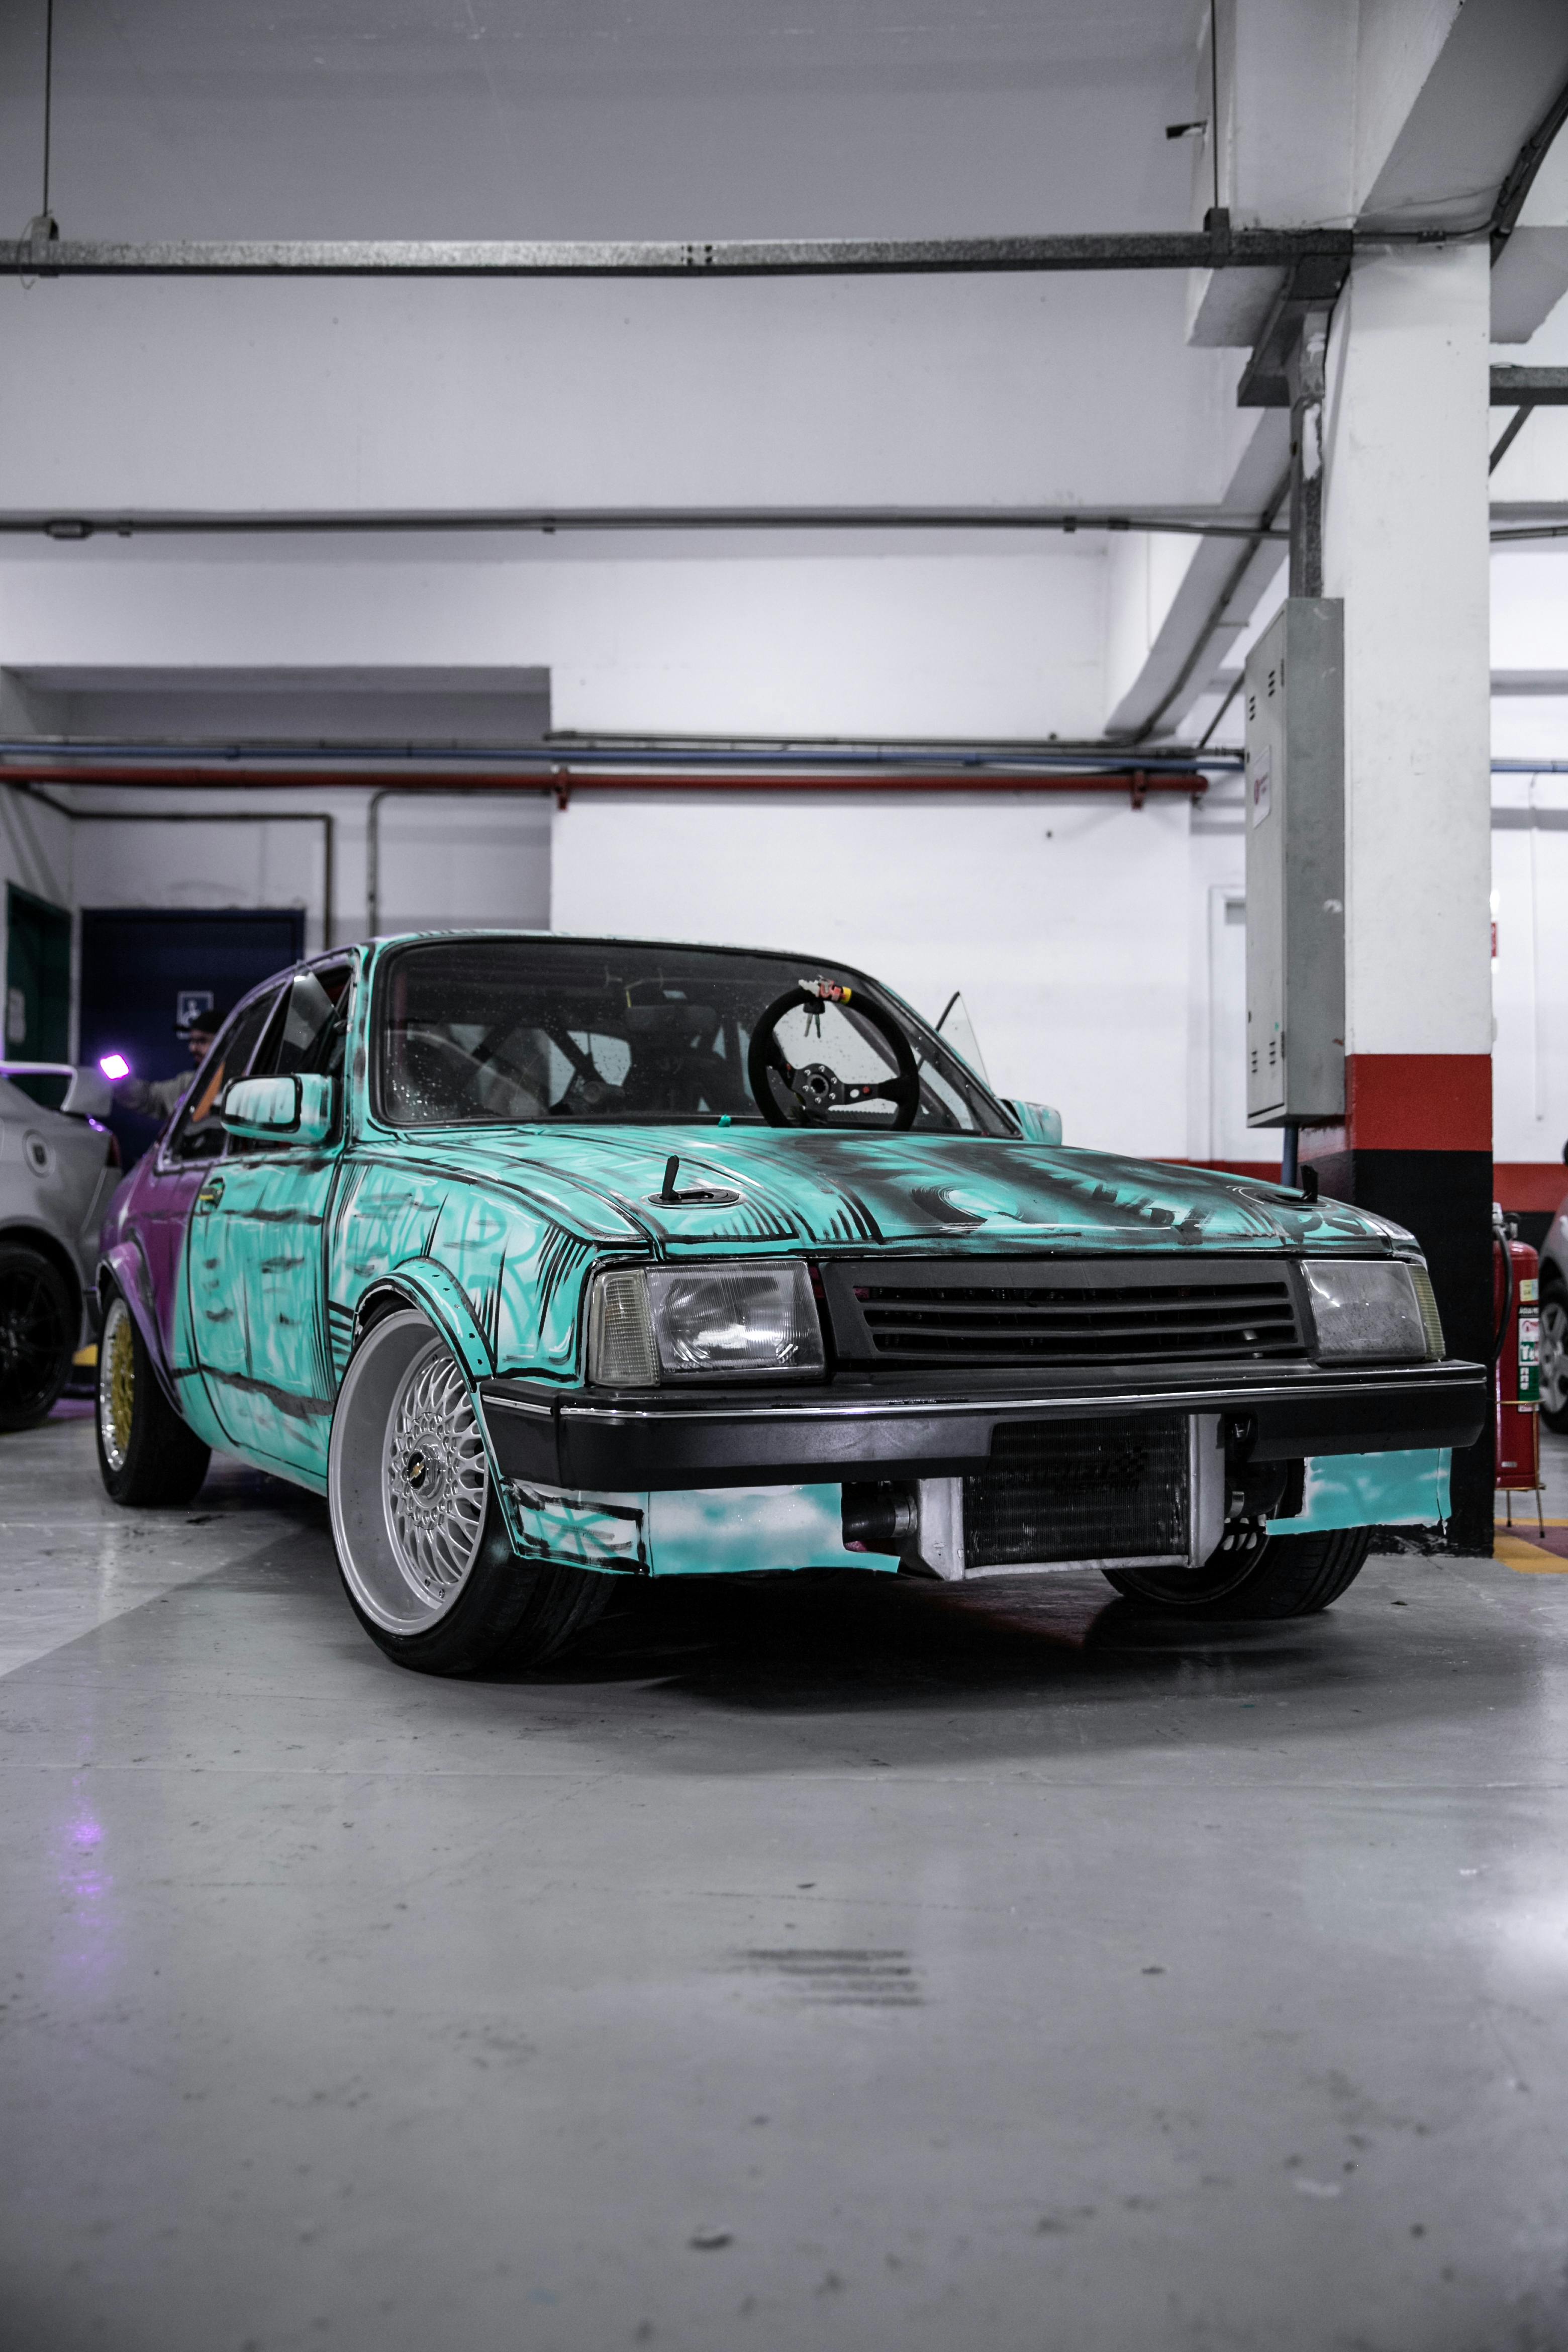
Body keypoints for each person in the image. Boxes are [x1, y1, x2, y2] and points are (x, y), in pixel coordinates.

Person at [115, 1009, 222, 1123]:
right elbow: (152, 1098)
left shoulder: (240, 1083)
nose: (193, 1048)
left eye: (202, 1041)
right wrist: (123, 1084)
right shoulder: (187, 1084)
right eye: (191, 1041)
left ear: (225, 1042)